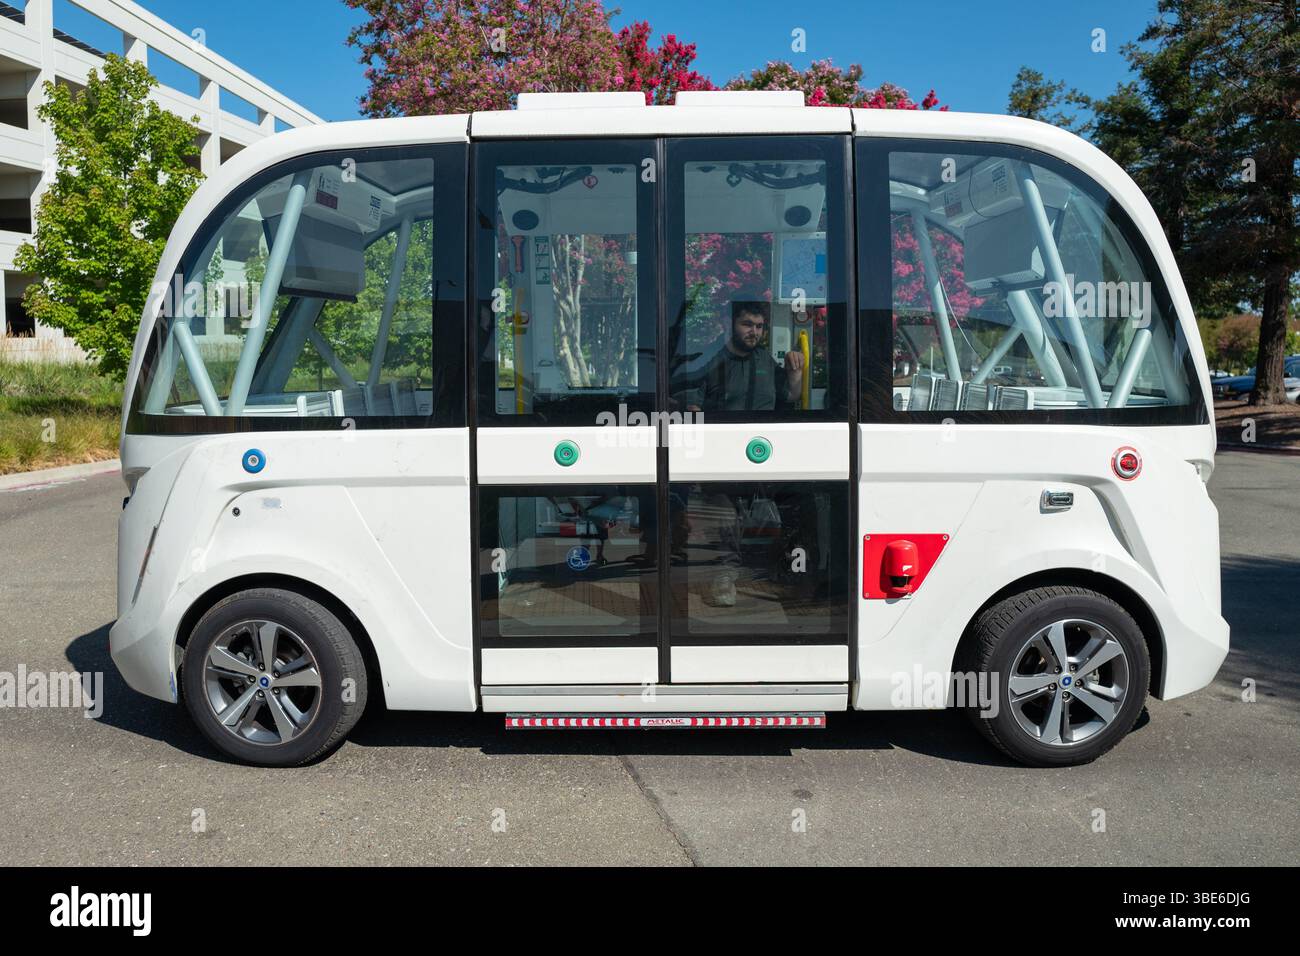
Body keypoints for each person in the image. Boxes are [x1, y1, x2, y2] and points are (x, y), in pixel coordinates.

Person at [685, 301, 804, 412]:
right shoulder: (708, 359)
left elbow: (790, 396)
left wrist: (795, 371)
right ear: (728, 323)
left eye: (759, 326)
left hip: (764, 433)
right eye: (747, 324)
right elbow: (692, 409)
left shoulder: (764, 358)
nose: (754, 332)